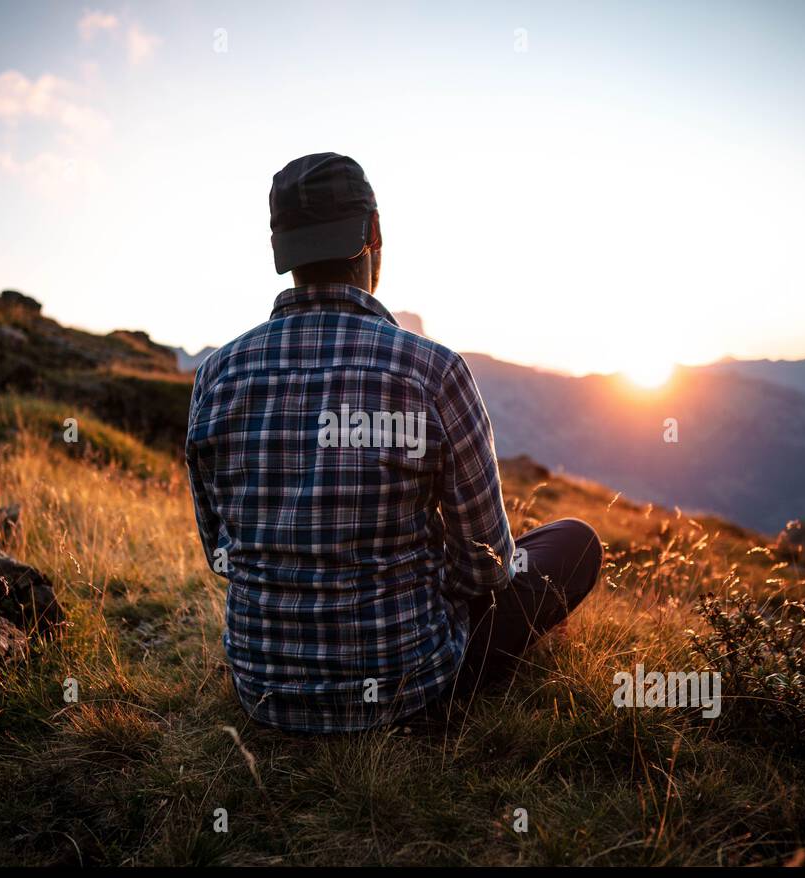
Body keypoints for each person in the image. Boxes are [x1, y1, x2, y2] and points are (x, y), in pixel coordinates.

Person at [185, 152, 603, 733]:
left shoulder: (217, 375)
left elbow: (220, 554)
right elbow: (487, 566)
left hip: (263, 691)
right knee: (575, 541)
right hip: (411, 685)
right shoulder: (432, 370)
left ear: (280, 251)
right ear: (374, 234)